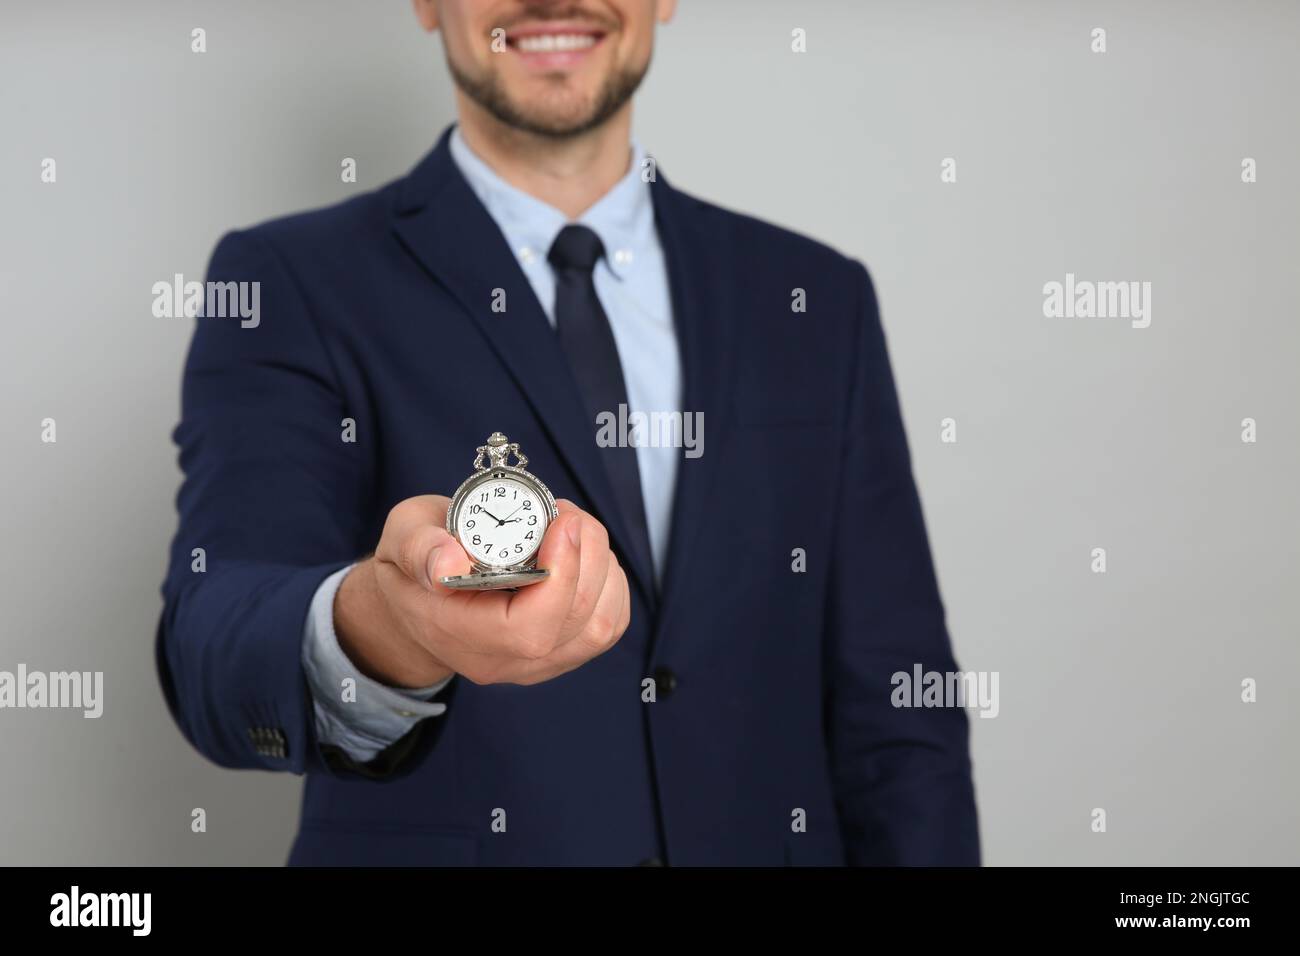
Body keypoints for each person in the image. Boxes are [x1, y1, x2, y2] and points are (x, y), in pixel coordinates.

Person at [156, 0, 980, 866]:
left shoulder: (814, 298)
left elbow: (901, 711)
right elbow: (213, 642)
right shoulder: (288, 281)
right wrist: (390, 628)